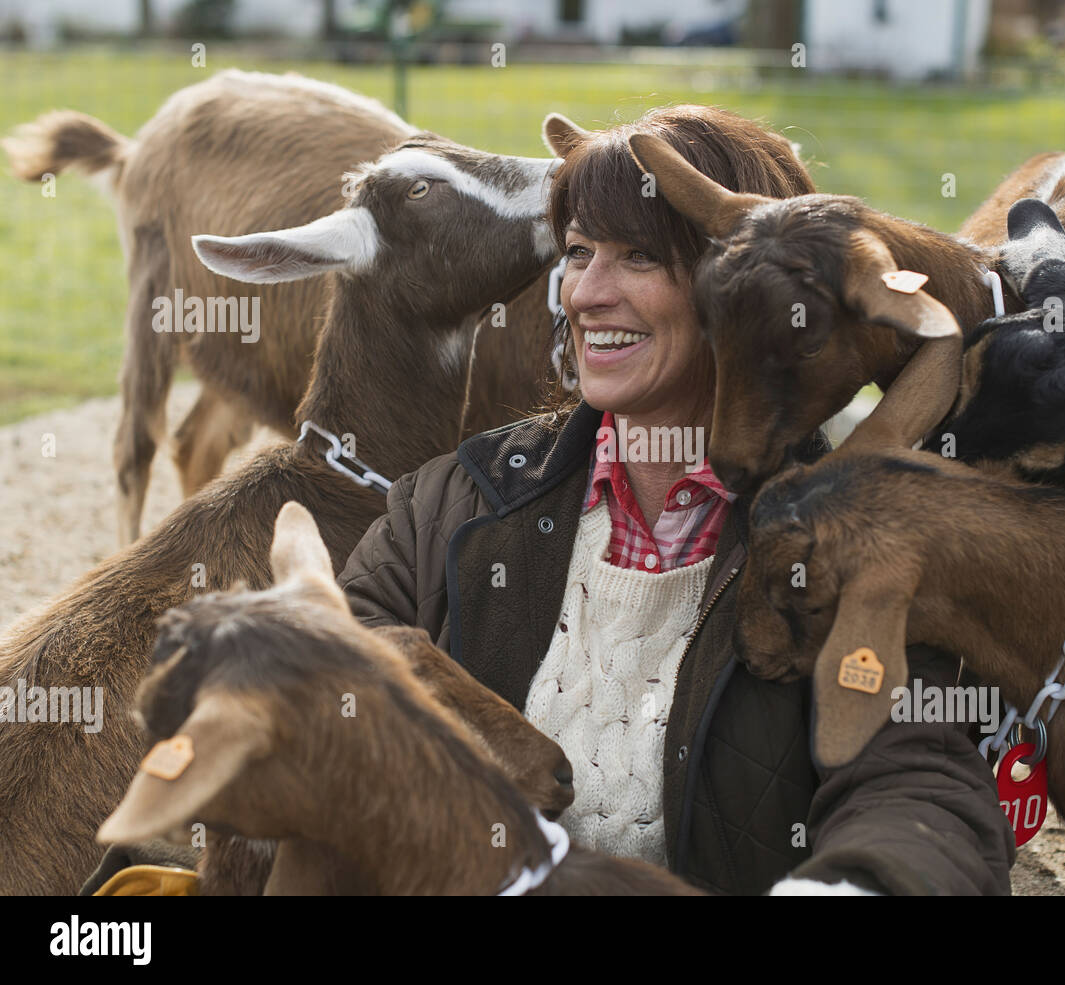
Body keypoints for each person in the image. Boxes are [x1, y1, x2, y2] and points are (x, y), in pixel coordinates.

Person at [338, 104, 1015, 895]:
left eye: (639, 257)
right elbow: (336, 651)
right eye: (578, 251)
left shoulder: (856, 551)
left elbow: (924, 790)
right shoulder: (451, 502)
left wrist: (847, 887)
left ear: (745, 291)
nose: (585, 292)